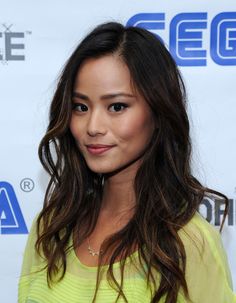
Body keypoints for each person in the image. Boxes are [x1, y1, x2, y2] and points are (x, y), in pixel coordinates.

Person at [18, 22, 235, 303]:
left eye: (117, 106)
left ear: (158, 112)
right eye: (80, 107)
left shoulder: (188, 243)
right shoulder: (50, 229)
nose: (93, 126)